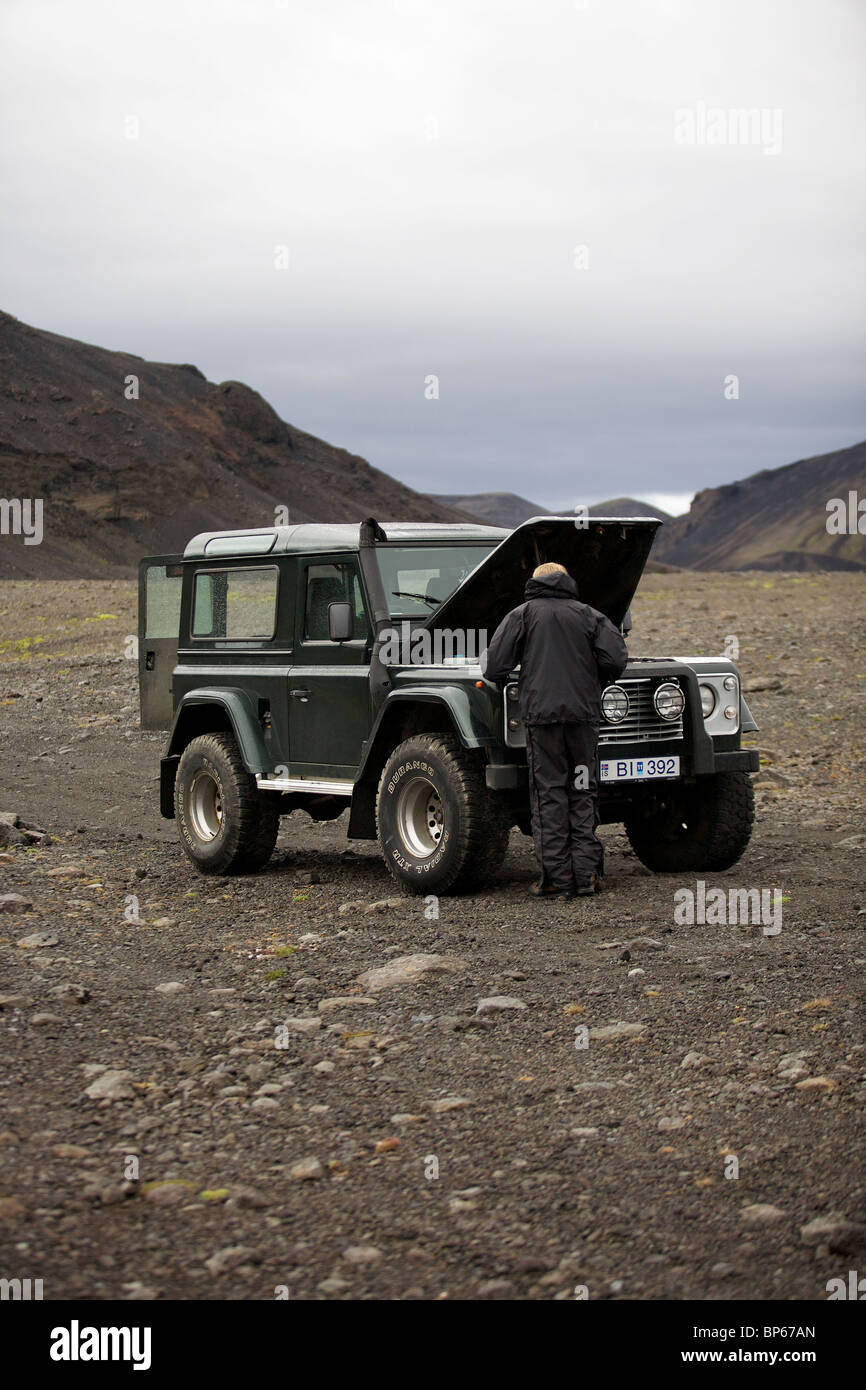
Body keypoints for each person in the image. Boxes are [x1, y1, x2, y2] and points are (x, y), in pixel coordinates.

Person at [482, 561, 628, 899]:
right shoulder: (590, 615)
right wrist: (592, 682)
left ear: (534, 583)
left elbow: (495, 666)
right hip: (582, 721)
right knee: (582, 790)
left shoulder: (522, 615)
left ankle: (556, 879)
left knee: (549, 794)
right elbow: (615, 660)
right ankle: (587, 876)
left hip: (543, 722)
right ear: (567, 581)